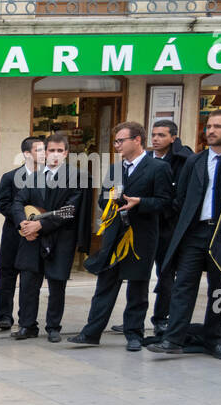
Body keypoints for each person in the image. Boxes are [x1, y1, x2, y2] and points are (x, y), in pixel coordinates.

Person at [69, 121, 174, 351]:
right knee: (105, 285)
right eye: (115, 141)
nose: (117, 145)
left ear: (137, 140)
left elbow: (166, 203)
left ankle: (134, 334)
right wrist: (111, 201)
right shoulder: (116, 169)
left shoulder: (158, 168)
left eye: (121, 140)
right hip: (114, 235)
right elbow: (102, 199)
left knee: (137, 287)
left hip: (141, 237)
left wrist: (140, 203)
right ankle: (91, 333)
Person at [148, 109, 221, 361]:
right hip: (195, 234)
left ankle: (215, 338)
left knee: (219, 291)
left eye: (218, 127)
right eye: (208, 126)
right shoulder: (195, 161)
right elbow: (181, 199)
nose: (210, 131)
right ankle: (173, 339)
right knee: (182, 286)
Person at [12, 133, 79, 342]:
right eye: (51, 150)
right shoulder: (33, 176)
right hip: (31, 240)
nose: (55, 155)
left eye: (60, 150)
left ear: (66, 153)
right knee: (28, 284)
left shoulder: (75, 177)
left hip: (60, 239)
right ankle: (27, 325)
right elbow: (17, 202)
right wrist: (23, 224)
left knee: (56, 285)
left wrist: (39, 225)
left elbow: (70, 210)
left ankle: (53, 327)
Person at [140, 119, 193, 335]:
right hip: (144, 223)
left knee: (166, 273)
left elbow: (182, 196)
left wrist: (167, 213)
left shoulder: (184, 160)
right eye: (153, 135)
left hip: (168, 225)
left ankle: (161, 318)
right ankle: (134, 319)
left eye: (161, 135)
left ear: (173, 137)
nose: (155, 139)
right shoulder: (146, 159)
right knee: (140, 274)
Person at [0, 137, 44, 330]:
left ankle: (27, 318)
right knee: (7, 275)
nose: (43, 153)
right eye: (38, 150)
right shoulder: (10, 177)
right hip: (14, 233)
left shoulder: (49, 177)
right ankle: (4, 316)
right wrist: (21, 221)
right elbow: (2, 203)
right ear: (26, 154)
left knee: (30, 280)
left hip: (36, 235)